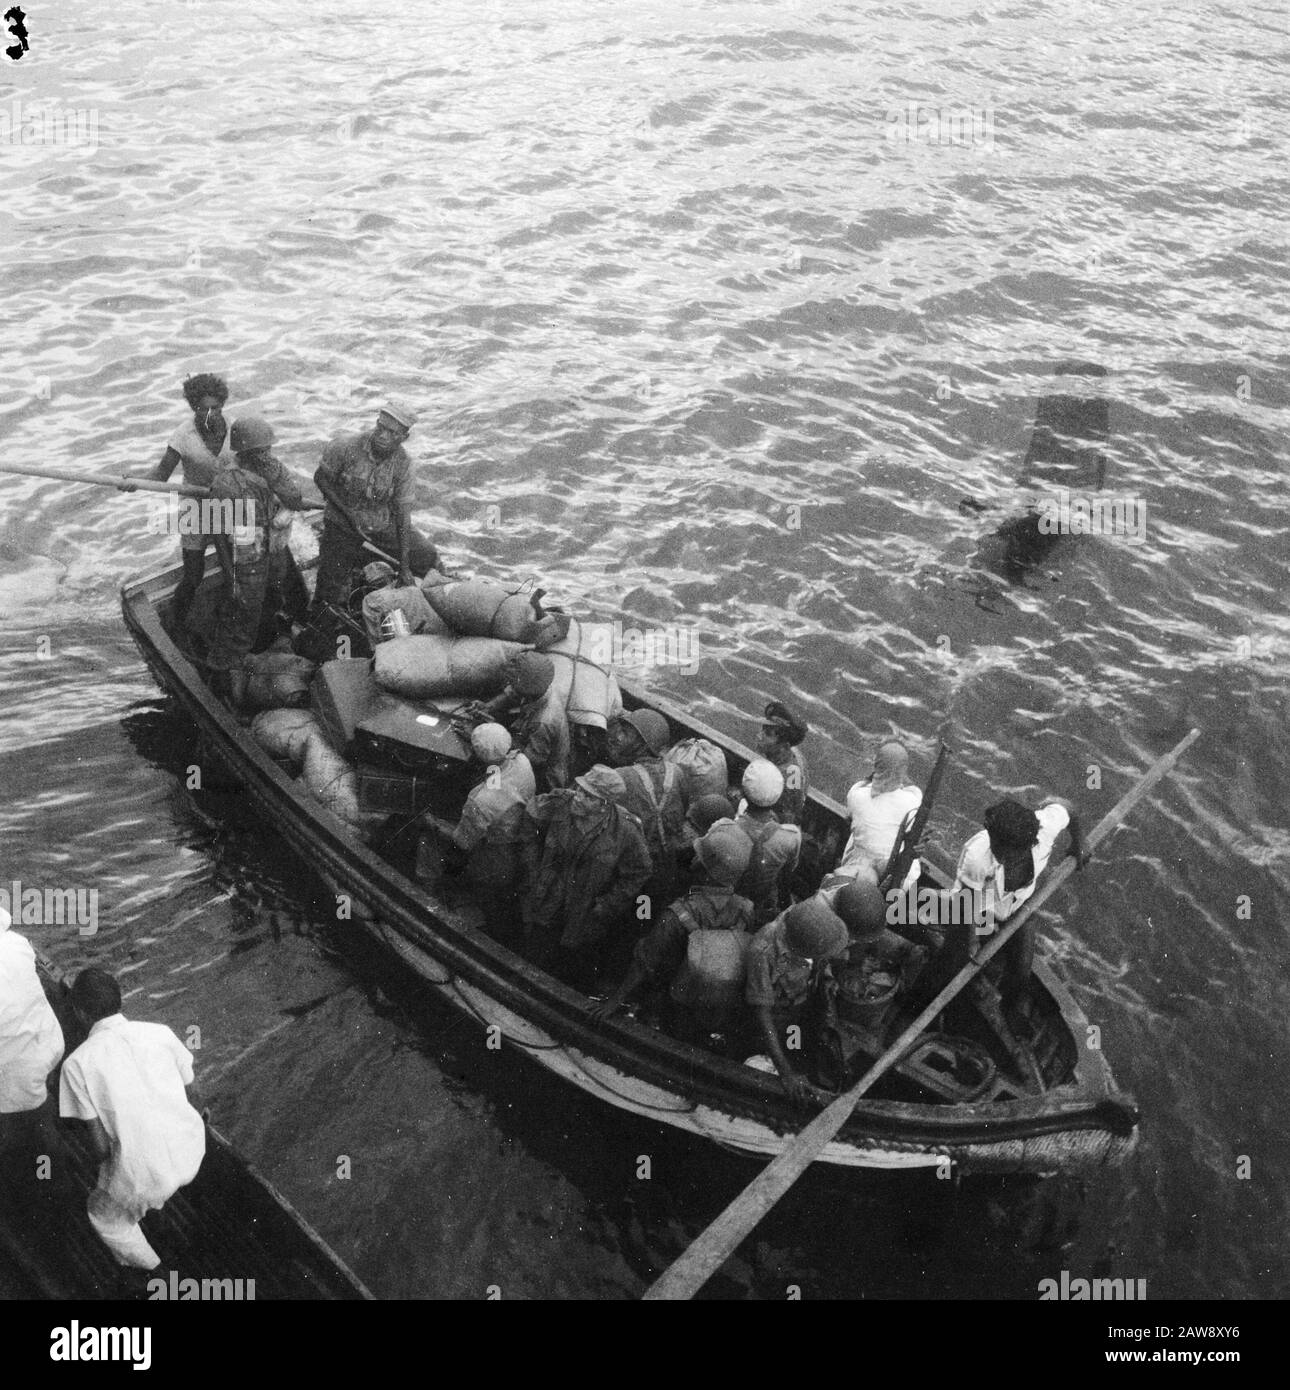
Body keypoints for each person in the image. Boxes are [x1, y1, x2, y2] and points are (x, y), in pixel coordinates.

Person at [57, 968, 206, 1271]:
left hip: (147, 1179)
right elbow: (195, 1095)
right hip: (192, 1150)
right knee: (151, 1177)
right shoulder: (160, 1032)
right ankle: (158, 1204)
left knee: (104, 1216)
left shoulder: (76, 1065)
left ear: (80, 1013)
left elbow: (100, 1150)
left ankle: (155, 1272)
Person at [589, 822, 754, 1043]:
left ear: (706, 870)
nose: (695, 859)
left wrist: (615, 1001)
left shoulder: (678, 914)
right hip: (713, 1000)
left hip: (672, 995)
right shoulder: (746, 910)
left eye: (700, 858)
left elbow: (645, 961)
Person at [187, 417, 312, 698]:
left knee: (276, 598)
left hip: (273, 548)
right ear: (246, 452)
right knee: (242, 615)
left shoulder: (273, 469)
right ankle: (222, 676)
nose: (266, 455)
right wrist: (230, 572)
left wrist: (276, 475)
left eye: (268, 449)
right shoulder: (226, 484)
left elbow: (293, 499)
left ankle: (264, 647)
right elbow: (217, 530)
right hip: (247, 557)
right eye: (261, 451)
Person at [519, 767, 653, 986]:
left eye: (588, 796)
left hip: (584, 909)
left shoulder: (625, 831)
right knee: (534, 950)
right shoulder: (561, 802)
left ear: (605, 804)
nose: (578, 798)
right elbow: (531, 813)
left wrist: (609, 904)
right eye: (579, 789)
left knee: (571, 962)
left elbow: (640, 871)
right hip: (548, 896)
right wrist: (532, 863)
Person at [945, 795, 1089, 996]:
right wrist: (972, 940)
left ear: (1028, 844)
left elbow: (1066, 806)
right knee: (951, 965)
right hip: (974, 909)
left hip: (1019, 909)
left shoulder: (1045, 828)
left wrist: (1079, 841)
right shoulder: (978, 856)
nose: (999, 858)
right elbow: (966, 903)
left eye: (1007, 854)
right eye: (996, 848)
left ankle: (1009, 1006)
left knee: (1021, 974)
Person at [312, 402, 440, 613]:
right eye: (380, 427)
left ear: (403, 437)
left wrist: (406, 567)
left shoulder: (404, 464)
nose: (382, 435)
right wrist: (348, 514)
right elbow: (320, 478)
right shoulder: (345, 446)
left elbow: (403, 515)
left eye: (392, 433)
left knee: (426, 554)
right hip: (342, 523)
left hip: (380, 524)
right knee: (329, 593)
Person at [744, 897, 850, 1104]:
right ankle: (786, 1062)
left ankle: (795, 1057)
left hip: (799, 1008)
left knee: (795, 1043)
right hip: (776, 1015)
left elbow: (821, 956)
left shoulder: (806, 918)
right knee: (779, 1050)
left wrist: (827, 978)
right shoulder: (763, 952)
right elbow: (762, 1013)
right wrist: (785, 1073)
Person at [0, 904, 66, 1236]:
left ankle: (43, 1198)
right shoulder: (17, 944)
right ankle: (50, 1180)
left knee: (26, 1128)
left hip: (17, 1067)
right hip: (47, 1042)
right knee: (39, 1111)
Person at [149, 373, 234, 627]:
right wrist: (131, 482)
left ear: (222, 406)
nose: (210, 414)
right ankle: (174, 624)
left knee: (236, 569)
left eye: (215, 408)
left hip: (230, 502)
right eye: (203, 409)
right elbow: (161, 475)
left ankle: (233, 618)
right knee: (193, 575)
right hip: (194, 506)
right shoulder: (182, 436)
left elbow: (254, 467)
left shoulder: (236, 428)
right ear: (193, 407)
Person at [439, 723, 535, 933]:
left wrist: (432, 824)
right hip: (520, 837)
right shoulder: (522, 761)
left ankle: (492, 935)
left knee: (489, 897)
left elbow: (462, 842)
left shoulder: (482, 801)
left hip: (495, 855)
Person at [603, 709, 686, 900]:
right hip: (664, 870)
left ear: (643, 745)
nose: (617, 737)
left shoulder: (623, 776)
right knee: (646, 914)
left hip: (630, 869)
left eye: (625, 733)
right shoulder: (677, 773)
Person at [461, 651, 571, 792]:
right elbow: (511, 693)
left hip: (541, 774)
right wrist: (488, 707)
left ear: (528, 693)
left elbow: (530, 761)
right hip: (526, 740)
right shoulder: (538, 685)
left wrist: (486, 736)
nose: (511, 686)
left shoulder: (544, 721)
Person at [726, 759, 802, 925]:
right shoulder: (791, 836)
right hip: (759, 901)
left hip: (727, 897)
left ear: (744, 793)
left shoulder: (728, 827)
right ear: (778, 795)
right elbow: (788, 870)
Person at [838, 741, 922, 880]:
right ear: (903, 771)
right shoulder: (913, 800)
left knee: (855, 831)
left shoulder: (856, 794)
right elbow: (913, 790)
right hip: (895, 877)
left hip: (858, 868)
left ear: (876, 764)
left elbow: (862, 786)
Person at [755, 700, 809, 825]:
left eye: (768, 734)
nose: (759, 736)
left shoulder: (778, 776)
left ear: (784, 745)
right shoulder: (794, 753)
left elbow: (786, 819)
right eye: (762, 729)